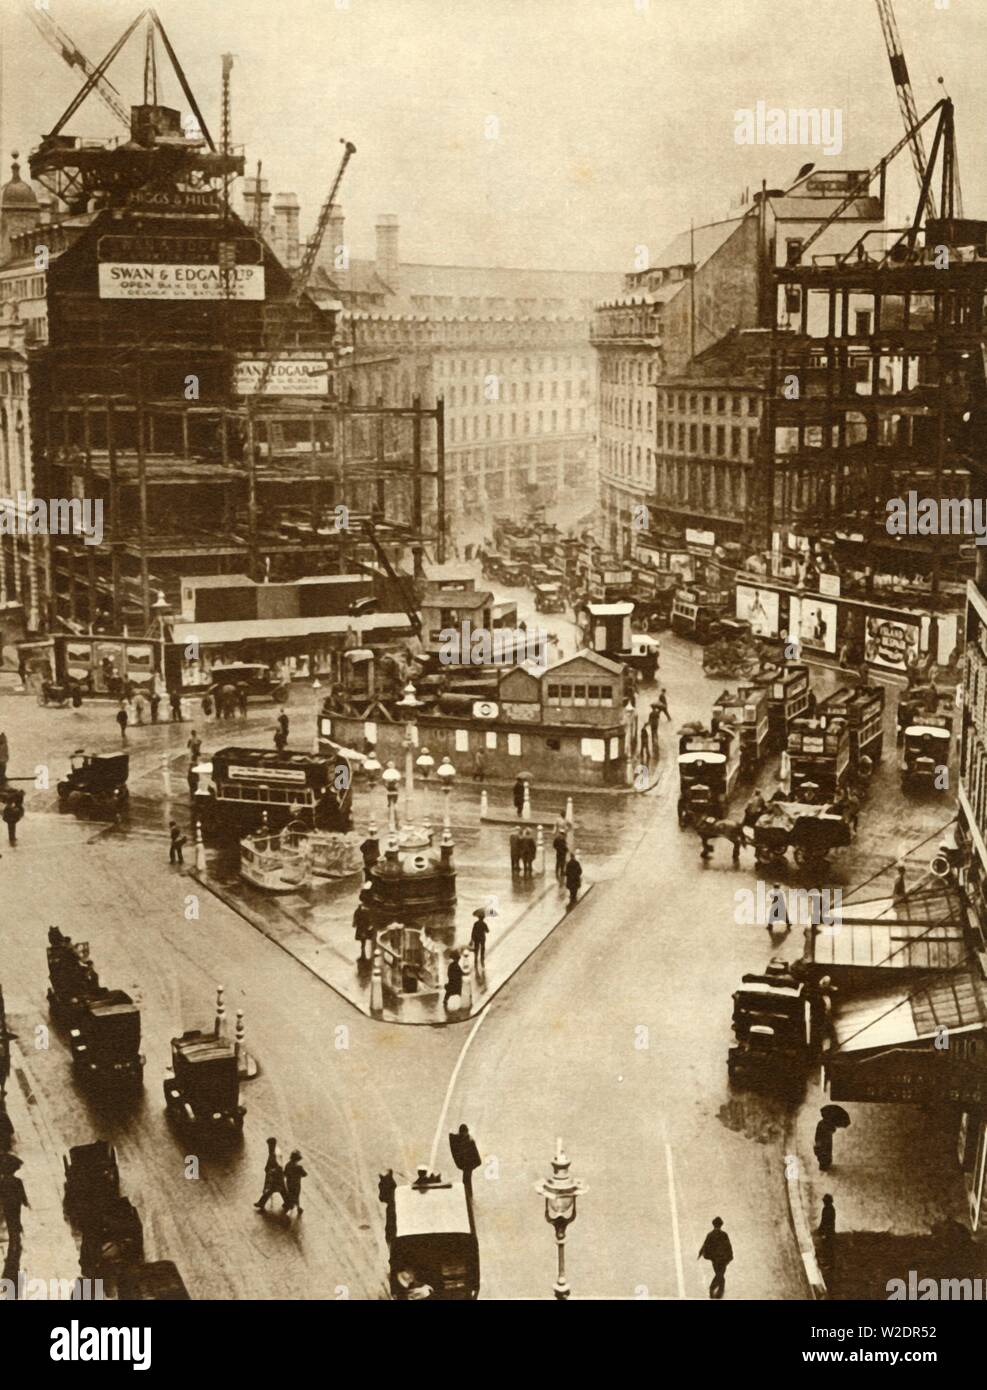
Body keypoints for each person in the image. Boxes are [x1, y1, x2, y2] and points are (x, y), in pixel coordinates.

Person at [698, 1216, 733, 1300]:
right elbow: (728, 1246)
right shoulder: (724, 1234)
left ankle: (717, 1293)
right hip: (723, 1259)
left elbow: (705, 1245)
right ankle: (715, 1291)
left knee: (719, 1274)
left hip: (715, 1259)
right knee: (720, 1275)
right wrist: (730, 1257)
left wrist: (700, 1253)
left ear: (713, 1224)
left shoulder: (710, 1234)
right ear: (721, 1225)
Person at [255, 1137, 287, 1212]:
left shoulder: (276, 1153)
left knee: (272, 1189)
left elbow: (279, 1165)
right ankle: (288, 1202)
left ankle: (261, 1203)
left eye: (269, 1145)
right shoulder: (273, 1151)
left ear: (273, 1144)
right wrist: (267, 1167)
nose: (268, 1146)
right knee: (280, 1189)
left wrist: (272, 1170)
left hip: (276, 1175)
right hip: (275, 1174)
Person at [449, 1124, 482, 1195]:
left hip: (469, 1164)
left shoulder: (469, 1141)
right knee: (466, 1179)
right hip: (466, 1163)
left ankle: (468, 1193)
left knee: (466, 1179)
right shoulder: (466, 1139)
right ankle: (468, 1193)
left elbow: (475, 1153)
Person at [0, 1166, 29, 1238]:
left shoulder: (2, 1182)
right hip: (16, 1203)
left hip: (7, 1204)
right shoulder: (17, 1180)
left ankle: (12, 1233)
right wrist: (25, 1202)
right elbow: (22, 1192)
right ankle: (17, 1230)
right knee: (16, 1217)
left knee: (9, 1219)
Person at [283, 1150, 307, 1217]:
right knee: (296, 1196)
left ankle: (297, 1208)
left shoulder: (288, 1165)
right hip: (296, 1184)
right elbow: (305, 1174)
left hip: (289, 1183)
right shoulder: (299, 1167)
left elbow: (284, 1174)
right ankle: (292, 1210)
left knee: (291, 1194)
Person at [817, 1193, 836, 1273]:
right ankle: (828, 1263)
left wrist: (823, 1232)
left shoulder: (828, 1209)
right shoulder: (829, 1208)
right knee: (827, 1247)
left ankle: (830, 1265)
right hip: (829, 1232)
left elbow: (826, 1222)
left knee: (828, 1248)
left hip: (828, 1232)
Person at [353, 896, 375, 962]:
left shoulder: (364, 909)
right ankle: (363, 953)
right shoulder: (361, 909)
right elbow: (356, 916)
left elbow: (356, 916)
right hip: (363, 926)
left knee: (367, 939)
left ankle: (364, 953)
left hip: (364, 926)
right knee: (364, 940)